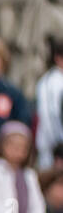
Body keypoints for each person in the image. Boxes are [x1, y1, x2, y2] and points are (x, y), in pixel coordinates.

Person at [34, 38, 63, 169]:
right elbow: (50, 117)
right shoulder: (53, 82)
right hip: (54, 154)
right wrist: (59, 148)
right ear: (58, 58)